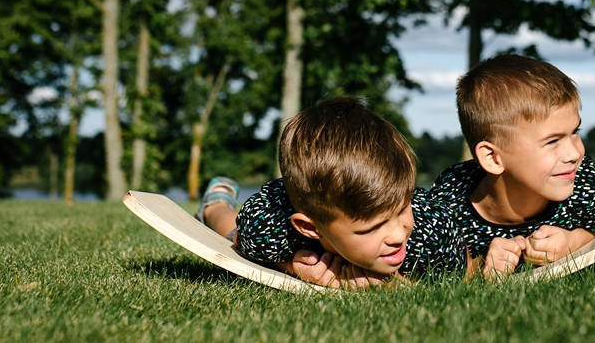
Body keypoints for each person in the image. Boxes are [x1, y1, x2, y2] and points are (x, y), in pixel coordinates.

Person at [197, 96, 467, 288]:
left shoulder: (432, 231)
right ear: (310, 228)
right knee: (233, 233)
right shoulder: (269, 224)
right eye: (372, 228)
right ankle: (216, 201)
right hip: (290, 207)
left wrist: (390, 283)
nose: (398, 235)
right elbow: (246, 241)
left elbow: (461, 276)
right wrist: (292, 266)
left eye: (401, 210)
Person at [427, 54, 595, 278]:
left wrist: (576, 240)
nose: (575, 153)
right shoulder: (448, 206)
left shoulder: (582, 180)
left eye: (575, 132)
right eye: (552, 141)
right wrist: (477, 267)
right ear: (492, 158)